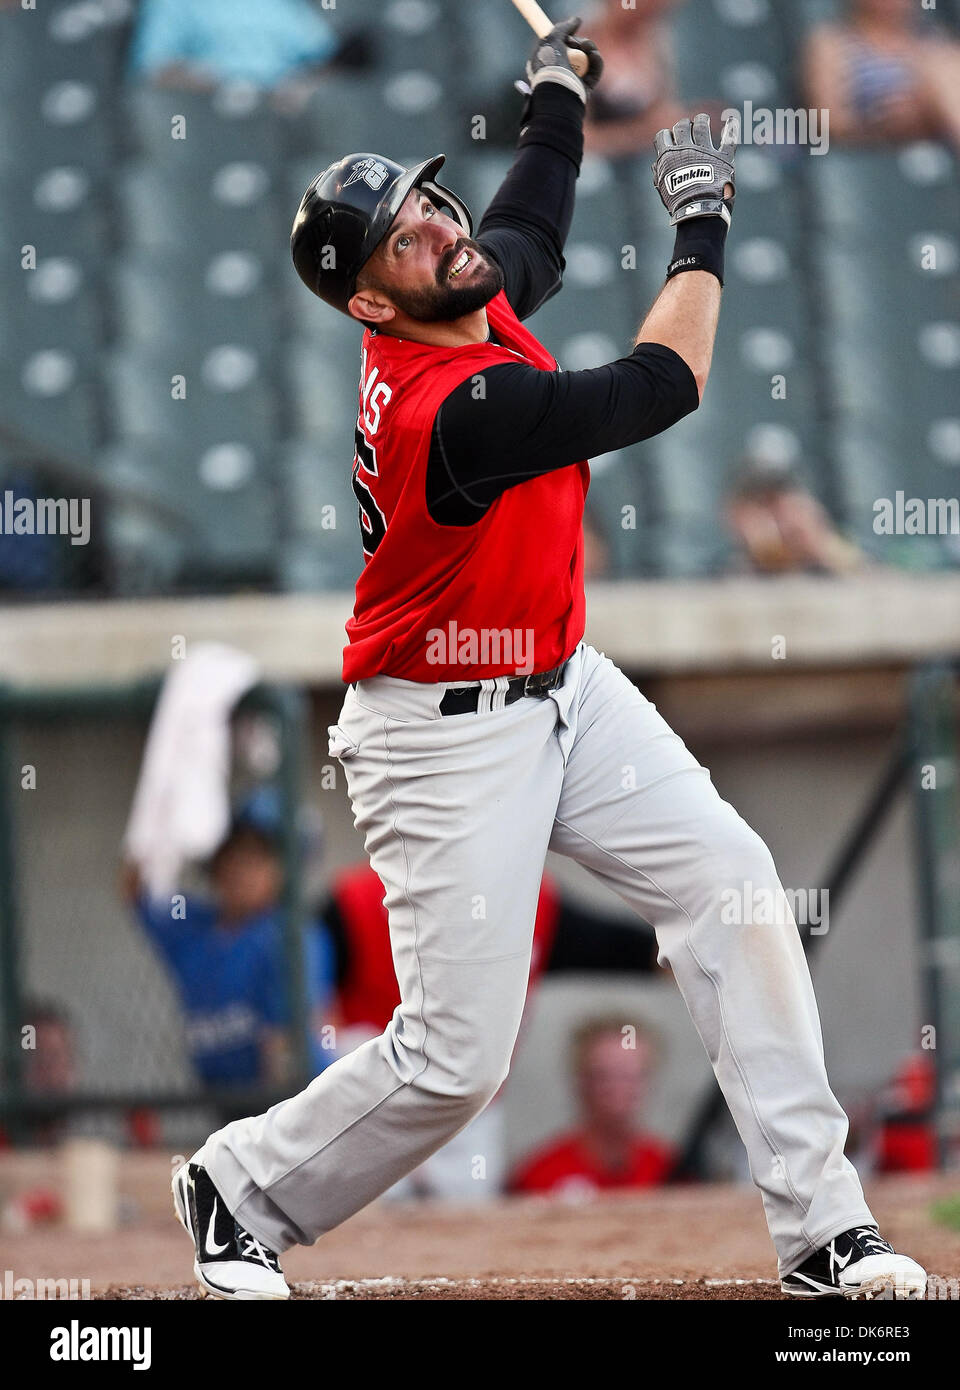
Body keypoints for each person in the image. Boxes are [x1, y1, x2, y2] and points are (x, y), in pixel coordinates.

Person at [172, 18, 925, 1301]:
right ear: (369, 300)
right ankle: (238, 1185)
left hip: (562, 674)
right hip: (440, 733)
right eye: (404, 240)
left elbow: (533, 221)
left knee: (733, 885)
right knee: (458, 1060)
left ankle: (823, 1230)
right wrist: (701, 228)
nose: (438, 231)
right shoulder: (449, 405)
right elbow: (661, 383)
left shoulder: (464, 294)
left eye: (425, 203)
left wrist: (559, 88)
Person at [323, 862, 661, 1199]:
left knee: (469, 1216)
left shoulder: (530, 902)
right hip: (377, 1105)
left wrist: (694, 951)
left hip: (469, 1113)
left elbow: (624, 947)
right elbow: (297, 990)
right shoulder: (359, 902)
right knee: (371, 1218)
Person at [122, 790, 335, 1097]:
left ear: (286, 869)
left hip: (297, 1107)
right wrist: (165, 794)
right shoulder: (192, 925)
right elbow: (134, 887)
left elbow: (281, 1054)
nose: (240, 867)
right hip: (231, 1110)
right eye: (233, 851)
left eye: (259, 856)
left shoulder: (290, 935)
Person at [509, 1016, 673, 1196]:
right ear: (580, 1082)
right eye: (603, 1076)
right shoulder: (539, 1175)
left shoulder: (670, 1171)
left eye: (631, 1076)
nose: (618, 1088)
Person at [803, 0, 960, 152]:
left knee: (944, 64)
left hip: (935, 131)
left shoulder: (935, 44)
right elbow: (827, 122)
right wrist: (888, 124)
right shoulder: (832, 43)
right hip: (873, 140)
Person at [582, 0, 720, 160]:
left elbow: (663, 114)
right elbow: (581, 139)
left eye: (657, 11)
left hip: (639, 163)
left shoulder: (655, 42)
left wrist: (691, 123)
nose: (648, 16)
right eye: (643, 7)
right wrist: (647, 133)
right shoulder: (577, 46)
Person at [725, 457, 865, 575]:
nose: (775, 518)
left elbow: (864, 572)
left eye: (777, 501)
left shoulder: (824, 557)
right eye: (762, 503)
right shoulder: (722, 570)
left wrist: (821, 544)